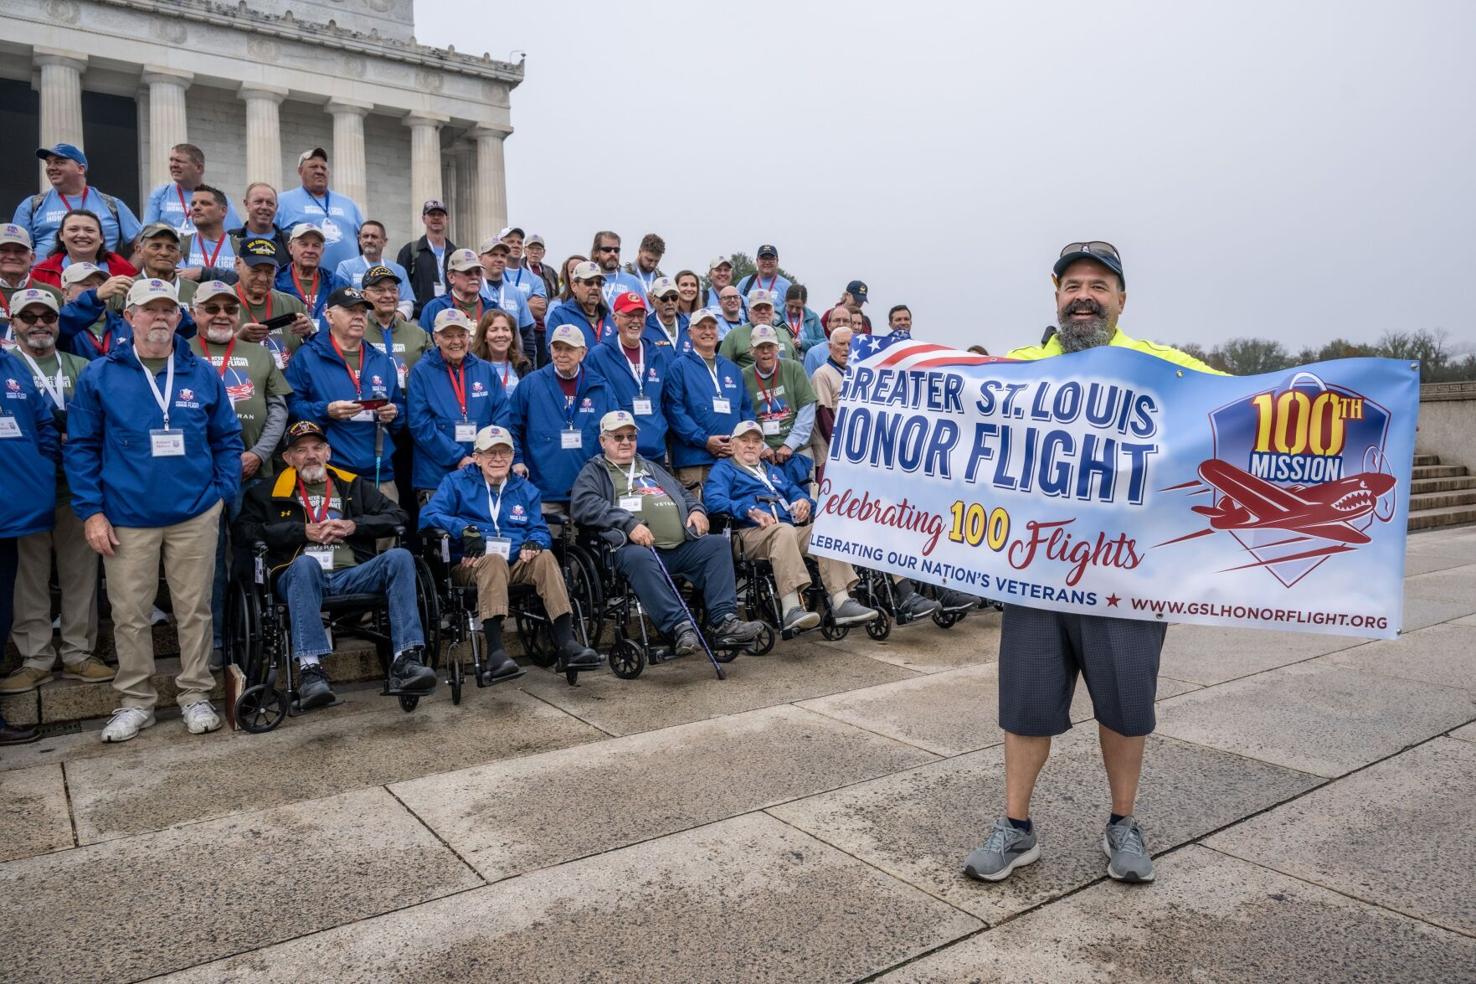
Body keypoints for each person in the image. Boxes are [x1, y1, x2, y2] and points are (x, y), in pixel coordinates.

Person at [963, 241, 1222, 887]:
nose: (1085, 295)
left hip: (1126, 577)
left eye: (1099, 285)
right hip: (1037, 573)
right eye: (1074, 284)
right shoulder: (1018, 368)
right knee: (1023, 708)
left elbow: (1236, 408)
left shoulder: (1162, 368)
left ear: (1121, 299)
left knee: (1126, 708)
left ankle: (1123, 823)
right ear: (1056, 293)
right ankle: (1016, 828)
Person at [65, 277, 243, 742]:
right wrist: (92, 512)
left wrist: (220, 492)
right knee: (129, 613)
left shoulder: (201, 373)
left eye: (168, 310)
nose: (159, 317)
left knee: (195, 609)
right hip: (126, 516)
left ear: (179, 317)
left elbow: (226, 437)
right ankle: (136, 701)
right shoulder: (101, 374)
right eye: (150, 309)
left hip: (194, 512)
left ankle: (195, 693)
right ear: (130, 317)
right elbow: (81, 447)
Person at [236, 420, 436, 709]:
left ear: (328, 452)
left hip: (352, 573)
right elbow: (245, 532)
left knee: (400, 557)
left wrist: (353, 525)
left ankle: (405, 658)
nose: (311, 455)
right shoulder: (266, 492)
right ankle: (311, 670)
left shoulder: (352, 483)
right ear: (288, 459)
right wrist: (300, 531)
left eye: (317, 447)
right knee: (306, 565)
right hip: (298, 576)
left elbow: (398, 516)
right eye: (301, 450)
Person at [571, 411, 764, 654]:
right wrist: (628, 524)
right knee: (638, 557)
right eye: (617, 437)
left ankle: (724, 621)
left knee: (717, 545)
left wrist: (696, 510)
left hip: (679, 546)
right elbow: (584, 505)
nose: (625, 442)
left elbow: (682, 493)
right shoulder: (596, 471)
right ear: (603, 441)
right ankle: (679, 626)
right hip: (634, 551)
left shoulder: (650, 467)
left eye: (630, 436)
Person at [419, 424, 600, 679]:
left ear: (513, 456)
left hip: (515, 564)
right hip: (472, 567)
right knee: (493, 560)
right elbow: (428, 516)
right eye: (490, 453)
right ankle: (496, 653)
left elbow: (539, 528)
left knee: (546, 557)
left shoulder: (525, 490)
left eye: (504, 452)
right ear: (477, 457)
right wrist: (464, 529)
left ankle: (566, 644)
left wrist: (535, 542)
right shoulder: (456, 483)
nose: (498, 459)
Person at [0, 289, 111, 696]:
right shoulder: (5, 366)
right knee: (28, 577)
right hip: (25, 491)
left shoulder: (82, 366)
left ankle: (79, 653)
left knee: (80, 574)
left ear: (58, 321)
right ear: (13, 323)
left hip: (78, 488)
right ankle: (36, 658)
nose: (39, 324)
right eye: (28, 317)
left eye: (46, 316)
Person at [188, 280, 291, 665]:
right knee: (208, 565)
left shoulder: (259, 353)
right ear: (195, 313)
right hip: (204, 480)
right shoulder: (183, 353)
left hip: (255, 473)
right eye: (211, 308)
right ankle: (215, 642)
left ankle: (256, 635)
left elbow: (278, 408)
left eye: (229, 309)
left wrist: (258, 452)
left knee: (253, 558)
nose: (221, 316)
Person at [705, 421, 876, 633]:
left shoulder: (771, 470)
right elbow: (713, 501)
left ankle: (841, 601)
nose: (750, 445)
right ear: (733, 444)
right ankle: (791, 607)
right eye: (744, 440)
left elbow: (794, 492)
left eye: (756, 442)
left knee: (823, 529)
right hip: (748, 534)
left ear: (762, 447)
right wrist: (748, 509)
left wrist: (804, 503)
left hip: (784, 530)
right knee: (784, 531)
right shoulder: (724, 469)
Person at [285, 286, 404, 499]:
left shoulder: (381, 361)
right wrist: (326, 411)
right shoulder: (307, 357)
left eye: (362, 312)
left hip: (378, 471)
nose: (359, 316)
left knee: (385, 532)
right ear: (329, 316)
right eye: (351, 311)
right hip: (331, 473)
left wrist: (394, 413)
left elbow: (400, 409)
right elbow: (292, 407)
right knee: (335, 532)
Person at [0, 344, 58, 743]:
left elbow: (44, 425)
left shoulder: (12, 365)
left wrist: (39, 467)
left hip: (11, 516)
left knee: (0, 615)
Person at [499, 324, 613, 506]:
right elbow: (511, 427)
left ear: (583, 353)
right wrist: (518, 460)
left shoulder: (600, 387)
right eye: (557, 348)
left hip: (591, 490)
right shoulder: (530, 385)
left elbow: (613, 432)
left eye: (569, 349)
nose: (561, 354)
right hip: (543, 490)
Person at [408, 309, 506, 501]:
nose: (456, 342)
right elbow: (420, 425)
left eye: (461, 335)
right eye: (448, 336)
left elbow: (502, 414)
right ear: (436, 337)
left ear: (469, 336)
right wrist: (458, 457)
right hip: (436, 476)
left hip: (482, 471)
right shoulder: (421, 372)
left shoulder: (485, 370)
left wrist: (485, 455)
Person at [664, 308, 753, 497]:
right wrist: (704, 440)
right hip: (694, 460)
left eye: (712, 327)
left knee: (731, 516)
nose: (707, 332)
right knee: (699, 515)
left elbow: (746, 409)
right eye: (701, 327)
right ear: (690, 332)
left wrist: (741, 443)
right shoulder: (679, 367)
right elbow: (675, 411)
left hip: (731, 458)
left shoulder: (732, 369)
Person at [586, 291, 672, 465]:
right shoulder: (598, 356)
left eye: (640, 315)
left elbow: (665, 402)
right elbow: (593, 405)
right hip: (618, 454)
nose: (635, 321)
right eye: (629, 315)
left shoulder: (657, 355)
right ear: (615, 318)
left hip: (655, 453)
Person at [14, 143, 141, 257]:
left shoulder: (112, 205)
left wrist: (129, 276)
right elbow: (15, 250)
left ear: (81, 169)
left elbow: (143, 245)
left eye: (59, 162)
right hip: (46, 281)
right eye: (49, 163)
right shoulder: (32, 205)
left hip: (100, 280)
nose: (51, 167)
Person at [740, 324, 815, 486]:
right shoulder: (744, 376)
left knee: (804, 503)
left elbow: (807, 408)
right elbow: (744, 415)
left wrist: (790, 444)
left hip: (798, 450)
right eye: (760, 347)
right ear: (752, 351)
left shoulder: (794, 368)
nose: (766, 352)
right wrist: (762, 446)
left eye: (769, 346)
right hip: (762, 453)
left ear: (777, 348)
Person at [275, 147, 365, 273]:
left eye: (323, 168)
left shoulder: (348, 203)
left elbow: (364, 240)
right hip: (304, 281)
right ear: (300, 171)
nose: (319, 171)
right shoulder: (282, 201)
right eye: (313, 167)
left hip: (348, 282)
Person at [232, 237, 314, 370]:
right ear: (237, 264)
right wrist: (238, 339)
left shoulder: (293, 304)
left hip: (289, 385)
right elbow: (205, 352)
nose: (263, 278)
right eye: (255, 270)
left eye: (269, 272)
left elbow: (315, 351)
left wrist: (308, 334)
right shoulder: (221, 303)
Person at [142, 143, 243, 234]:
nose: (173, 165)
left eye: (179, 161)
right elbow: (146, 234)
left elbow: (233, 235)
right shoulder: (160, 194)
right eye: (171, 160)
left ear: (199, 168)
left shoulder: (219, 198)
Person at [362, 265, 431, 394]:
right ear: (364, 295)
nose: (388, 295)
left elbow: (434, 373)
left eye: (393, 290)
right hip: (369, 408)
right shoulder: (356, 333)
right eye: (379, 290)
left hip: (411, 408)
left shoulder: (419, 334)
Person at [29, 209, 138, 289]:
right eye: (73, 229)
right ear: (61, 235)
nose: (81, 235)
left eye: (89, 230)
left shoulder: (125, 271)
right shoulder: (41, 273)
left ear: (101, 238)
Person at [334, 220, 415, 320]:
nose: (369, 240)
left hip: (391, 327)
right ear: (359, 240)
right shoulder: (345, 267)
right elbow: (341, 301)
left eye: (374, 236)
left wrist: (390, 322)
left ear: (384, 241)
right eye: (365, 236)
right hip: (359, 324)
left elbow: (407, 304)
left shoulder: (398, 270)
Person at [1, 224, 63, 338]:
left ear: (32, 258)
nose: (12, 256)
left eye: (19, 251)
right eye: (3, 250)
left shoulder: (52, 294)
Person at [397, 200, 456, 317]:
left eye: (440, 215)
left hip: (452, 317)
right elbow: (400, 287)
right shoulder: (410, 250)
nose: (436, 218)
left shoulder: (456, 252)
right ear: (424, 219)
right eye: (432, 214)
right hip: (419, 317)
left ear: (447, 219)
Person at [478, 238, 536, 358]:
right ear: (480, 259)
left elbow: (527, 335)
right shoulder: (474, 291)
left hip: (511, 365)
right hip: (481, 362)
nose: (499, 259)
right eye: (493, 255)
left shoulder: (517, 294)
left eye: (503, 256)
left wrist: (527, 367)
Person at [809, 325, 852, 486]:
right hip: (830, 450)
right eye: (841, 344)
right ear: (830, 347)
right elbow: (824, 416)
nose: (846, 349)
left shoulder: (855, 373)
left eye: (850, 344)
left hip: (850, 452)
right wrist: (841, 445)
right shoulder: (822, 374)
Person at [275, 223, 338, 326]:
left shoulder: (337, 284)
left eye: (316, 245)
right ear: (290, 248)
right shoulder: (275, 282)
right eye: (304, 244)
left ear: (322, 251)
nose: (310, 250)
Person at [545, 259, 614, 352]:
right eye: (589, 283)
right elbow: (554, 353)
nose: (595, 287)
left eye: (599, 283)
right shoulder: (560, 316)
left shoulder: (609, 317)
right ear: (574, 286)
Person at [417, 247, 491, 333]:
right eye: (467, 272)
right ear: (451, 277)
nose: (474, 277)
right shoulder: (434, 308)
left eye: (478, 272)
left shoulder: (493, 309)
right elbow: (425, 344)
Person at [720, 289, 796, 369]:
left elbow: (796, 367)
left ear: (773, 311)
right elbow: (722, 368)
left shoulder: (785, 334)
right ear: (749, 311)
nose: (763, 311)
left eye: (767, 307)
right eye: (758, 308)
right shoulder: (734, 336)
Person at [472, 309, 532, 398]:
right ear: (484, 336)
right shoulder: (473, 367)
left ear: (512, 336)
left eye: (505, 329)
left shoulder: (523, 366)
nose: (500, 334)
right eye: (494, 330)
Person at [178, 185, 237, 274]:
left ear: (223, 211)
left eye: (205, 203)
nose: (196, 207)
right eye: (193, 204)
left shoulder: (239, 247)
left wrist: (202, 274)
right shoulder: (181, 245)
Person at [227, 182, 289, 266]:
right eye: (258, 202)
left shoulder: (289, 241)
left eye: (270, 203)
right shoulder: (230, 238)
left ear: (276, 207)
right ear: (246, 204)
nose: (264, 207)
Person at [590, 230, 645, 306]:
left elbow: (645, 313)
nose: (613, 254)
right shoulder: (586, 282)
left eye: (616, 250)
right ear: (595, 252)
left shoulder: (634, 282)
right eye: (607, 250)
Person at [497, 226, 547, 303]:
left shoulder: (536, 280)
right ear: (500, 246)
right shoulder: (490, 275)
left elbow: (539, 310)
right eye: (511, 242)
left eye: (519, 242)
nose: (516, 245)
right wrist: (526, 304)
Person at [643, 276, 690, 353]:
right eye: (664, 298)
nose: (670, 302)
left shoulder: (689, 326)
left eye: (674, 297)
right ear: (654, 300)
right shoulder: (644, 326)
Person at [805, 305, 856, 374]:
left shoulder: (860, 353)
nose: (841, 324)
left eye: (845, 321)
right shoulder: (814, 354)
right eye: (837, 320)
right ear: (828, 325)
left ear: (852, 326)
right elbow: (809, 383)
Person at [782, 284, 825, 356]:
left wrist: (803, 344)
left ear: (804, 304)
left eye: (798, 307)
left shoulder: (812, 318)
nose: (794, 311)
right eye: (791, 306)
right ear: (785, 300)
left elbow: (822, 342)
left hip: (805, 363)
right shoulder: (776, 315)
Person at [520, 233, 559, 303]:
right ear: (525, 250)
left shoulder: (551, 272)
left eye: (538, 249)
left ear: (543, 253)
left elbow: (556, 297)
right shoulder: (517, 269)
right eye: (531, 248)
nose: (535, 252)